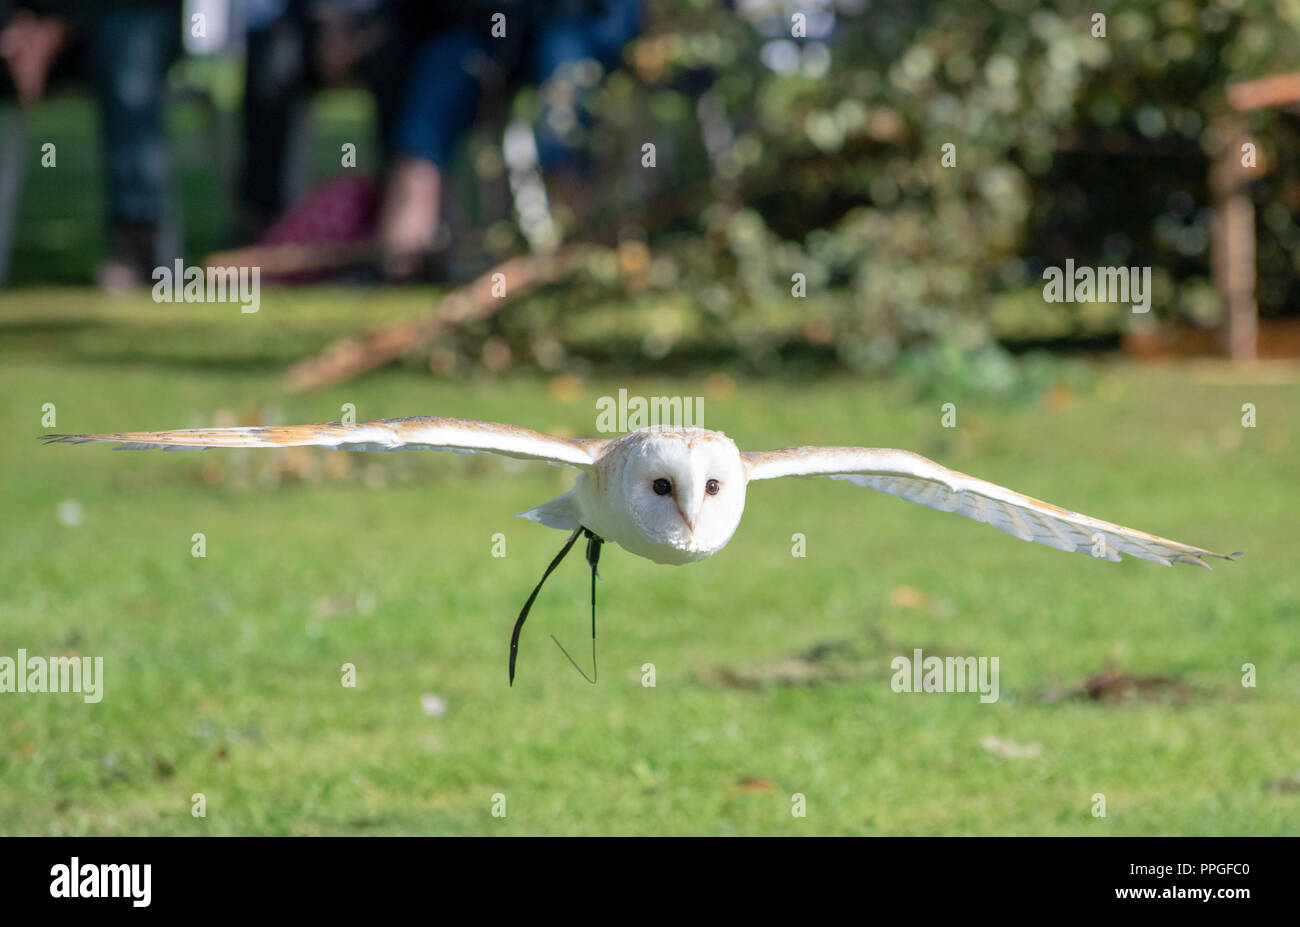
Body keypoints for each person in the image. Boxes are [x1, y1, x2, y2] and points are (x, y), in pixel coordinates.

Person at [379, 0, 642, 278]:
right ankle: (402, 258)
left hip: (574, 19)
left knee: (564, 97)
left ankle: (577, 252)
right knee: (432, 101)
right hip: (485, 23)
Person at [0, 0, 182, 287]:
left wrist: (60, 22)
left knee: (128, 53)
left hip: (128, 19)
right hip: (29, 26)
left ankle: (137, 247)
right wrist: (14, 25)